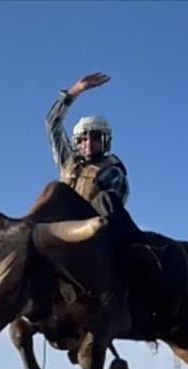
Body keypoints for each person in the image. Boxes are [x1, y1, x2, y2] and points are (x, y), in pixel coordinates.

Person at [45, 72, 167, 328]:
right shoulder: (68, 162)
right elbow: (52, 124)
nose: (90, 143)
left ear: (105, 141)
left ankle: (140, 250)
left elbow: (113, 207)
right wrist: (74, 91)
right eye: (84, 138)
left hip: (98, 230)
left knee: (106, 200)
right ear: (77, 142)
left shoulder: (112, 170)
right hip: (62, 229)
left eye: (96, 138)